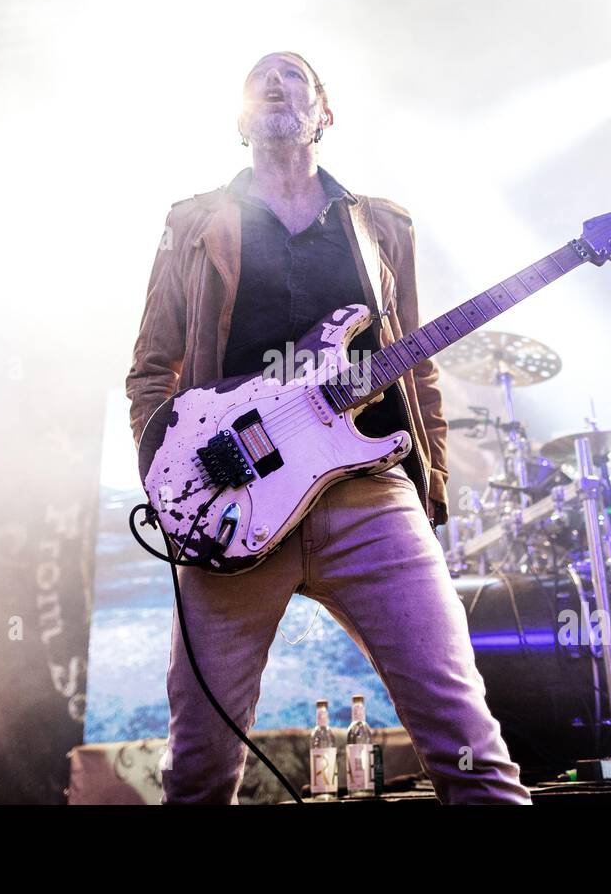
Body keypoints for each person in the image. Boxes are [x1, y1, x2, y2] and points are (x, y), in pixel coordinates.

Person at [125, 51, 529, 803]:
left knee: (470, 749)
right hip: (231, 498)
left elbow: (420, 367)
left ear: (325, 113)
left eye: (295, 77)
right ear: (240, 118)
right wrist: (176, 473)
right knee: (200, 770)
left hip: (367, 494)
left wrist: (429, 488)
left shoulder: (382, 225)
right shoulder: (191, 223)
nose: (275, 84)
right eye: (259, 79)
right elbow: (153, 369)